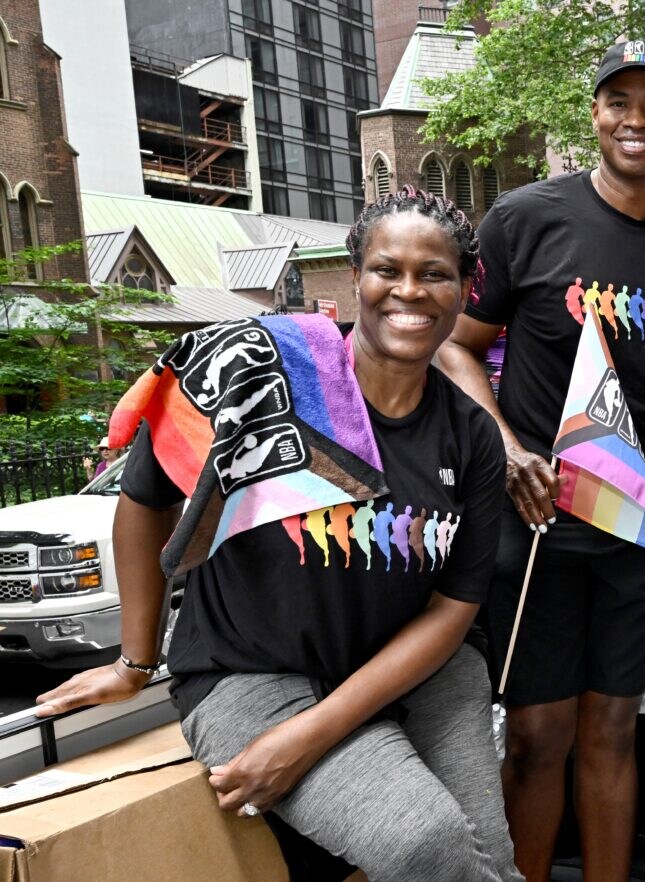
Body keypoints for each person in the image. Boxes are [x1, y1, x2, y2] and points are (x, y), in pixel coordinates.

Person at [37, 187, 522, 882]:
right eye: (387, 269)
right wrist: (133, 663)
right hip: (250, 673)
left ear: (466, 290)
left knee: (488, 858)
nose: (409, 291)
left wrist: (309, 738)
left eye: (435, 274)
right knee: (428, 844)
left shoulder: (471, 435)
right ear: (355, 277)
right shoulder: (266, 374)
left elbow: (453, 610)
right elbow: (145, 496)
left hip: (411, 666)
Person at [435, 40, 645, 882]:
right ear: (595, 113)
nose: (636, 120)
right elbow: (457, 348)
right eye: (620, 102)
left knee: (611, 731)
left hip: (638, 528)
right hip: (538, 520)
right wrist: (508, 449)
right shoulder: (524, 218)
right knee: (538, 736)